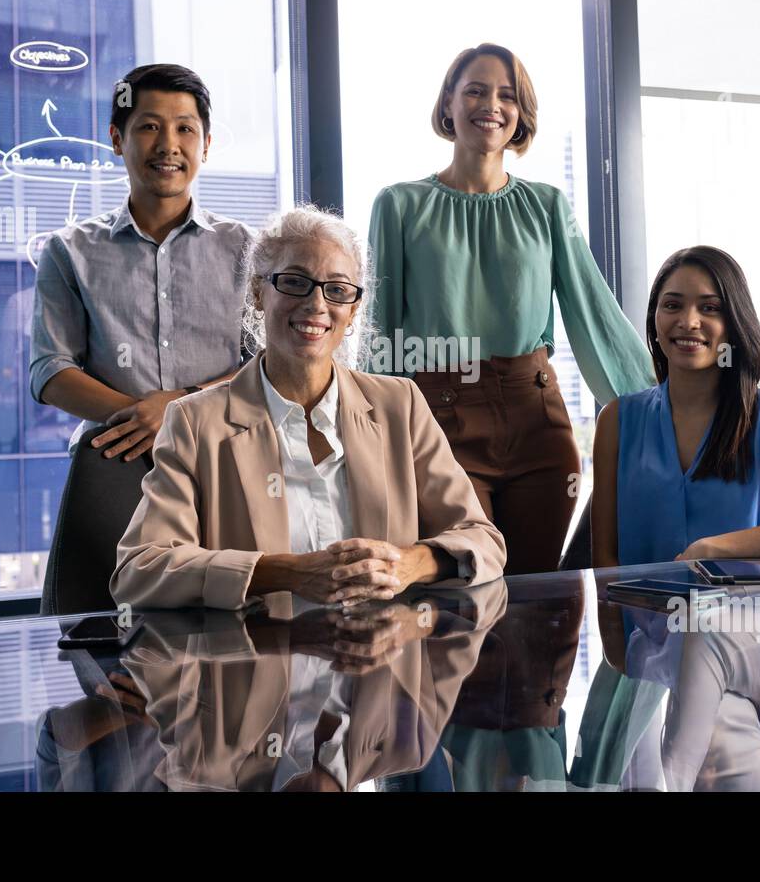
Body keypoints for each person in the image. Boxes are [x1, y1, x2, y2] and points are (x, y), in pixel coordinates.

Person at [112, 206, 506, 611]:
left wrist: (408, 564)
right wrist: (285, 573)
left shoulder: (399, 404)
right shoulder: (195, 421)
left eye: (337, 289)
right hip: (256, 661)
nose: (317, 304)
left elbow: (482, 540)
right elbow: (141, 569)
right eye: (296, 282)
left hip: (381, 661)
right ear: (257, 293)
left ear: (353, 310)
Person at [368, 43, 654, 574]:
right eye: (475, 90)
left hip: (535, 418)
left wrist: (661, 410)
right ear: (448, 103)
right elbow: (380, 330)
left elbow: (592, 310)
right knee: (463, 596)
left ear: (520, 114)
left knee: (541, 606)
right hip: (437, 418)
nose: (491, 104)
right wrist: (369, 437)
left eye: (507, 95)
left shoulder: (546, 205)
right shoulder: (399, 205)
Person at [30, 63, 252, 461]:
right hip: (114, 458)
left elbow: (267, 365)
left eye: (185, 128)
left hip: (227, 456)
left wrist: (179, 409)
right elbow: (50, 370)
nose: (169, 144)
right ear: (117, 139)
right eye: (149, 127)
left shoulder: (246, 249)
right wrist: (140, 419)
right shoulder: (69, 251)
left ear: (206, 144)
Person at [591, 245, 760, 567]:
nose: (689, 321)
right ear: (655, 319)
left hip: (758, 615)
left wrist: (714, 549)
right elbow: (605, 563)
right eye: (673, 305)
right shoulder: (616, 421)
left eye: (710, 308)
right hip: (647, 616)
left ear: (734, 322)